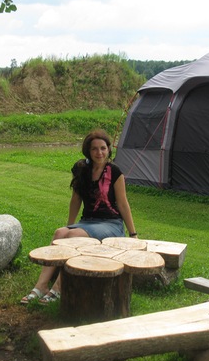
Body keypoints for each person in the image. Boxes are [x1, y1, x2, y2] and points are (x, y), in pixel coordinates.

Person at [21, 129, 138, 305]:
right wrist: (69, 226)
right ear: (88, 151)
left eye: (103, 148)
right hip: (88, 222)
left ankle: (58, 288)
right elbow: (76, 200)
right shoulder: (82, 169)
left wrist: (133, 234)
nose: (99, 153)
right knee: (60, 233)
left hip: (111, 224)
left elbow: (122, 203)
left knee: (74, 236)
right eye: (94, 149)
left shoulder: (115, 172)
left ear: (108, 149)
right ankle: (41, 286)